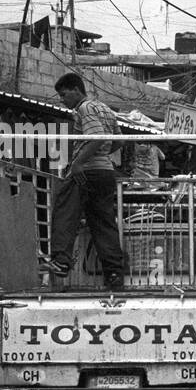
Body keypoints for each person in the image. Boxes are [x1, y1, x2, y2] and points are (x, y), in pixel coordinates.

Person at [39, 73, 126, 289]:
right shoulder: (105, 108)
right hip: (105, 173)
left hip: (86, 172)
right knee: (104, 223)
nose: (62, 100)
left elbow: (97, 136)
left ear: (77, 90)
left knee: (64, 210)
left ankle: (60, 261)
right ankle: (114, 274)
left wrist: (78, 163)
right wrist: (104, 155)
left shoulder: (84, 108)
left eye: (64, 94)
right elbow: (119, 139)